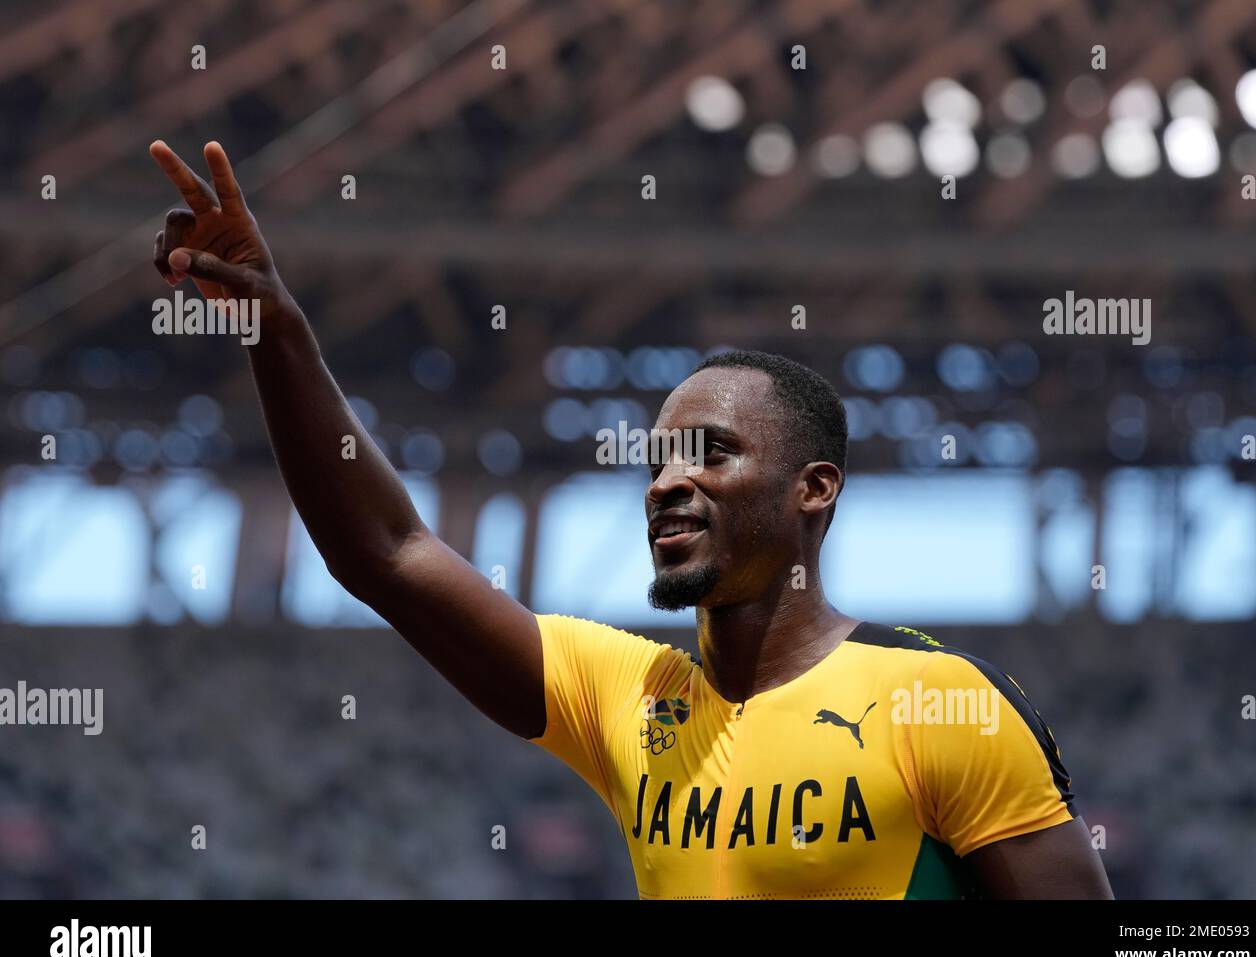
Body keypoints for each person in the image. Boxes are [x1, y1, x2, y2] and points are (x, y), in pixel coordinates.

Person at [148, 140, 1113, 900]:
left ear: (814, 489)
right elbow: (390, 554)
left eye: (712, 456)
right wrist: (275, 335)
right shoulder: (626, 695)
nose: (665, 484)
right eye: (655, 463)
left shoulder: (943, 705)